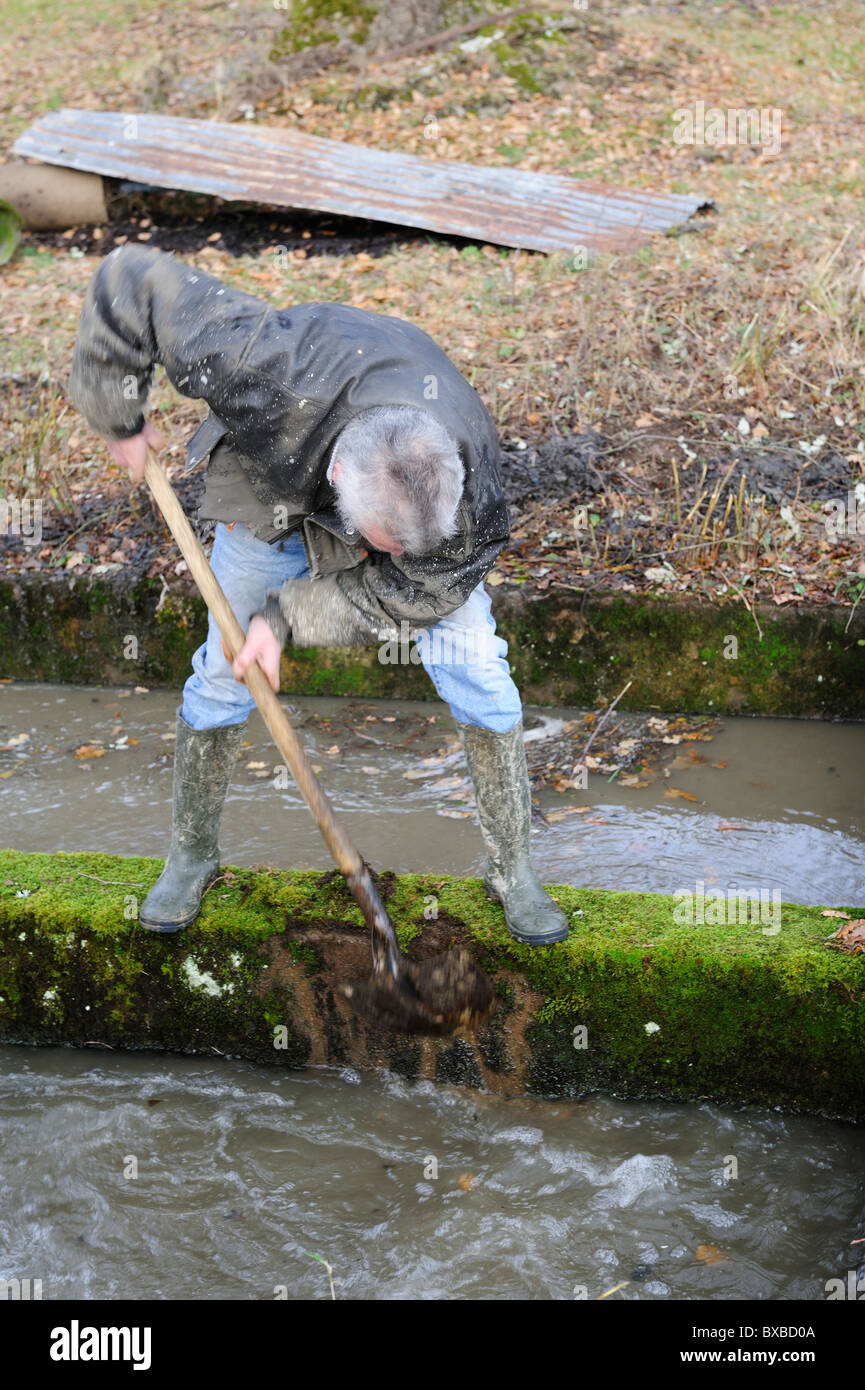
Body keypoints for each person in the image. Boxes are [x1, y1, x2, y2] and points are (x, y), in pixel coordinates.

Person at [69, 244, 568, 947]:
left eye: (393, 553)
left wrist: (287, 618)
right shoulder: (261, 364)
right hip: (269, 480)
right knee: (222, 675)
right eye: (375, 544)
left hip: (377, 478)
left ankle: (513, 870)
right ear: (340, 478)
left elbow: (419, 590)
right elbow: (130, 277)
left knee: (480, 674)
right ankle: (192, 855)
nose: (377, 560)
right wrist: (117, 412)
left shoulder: (464, 493)